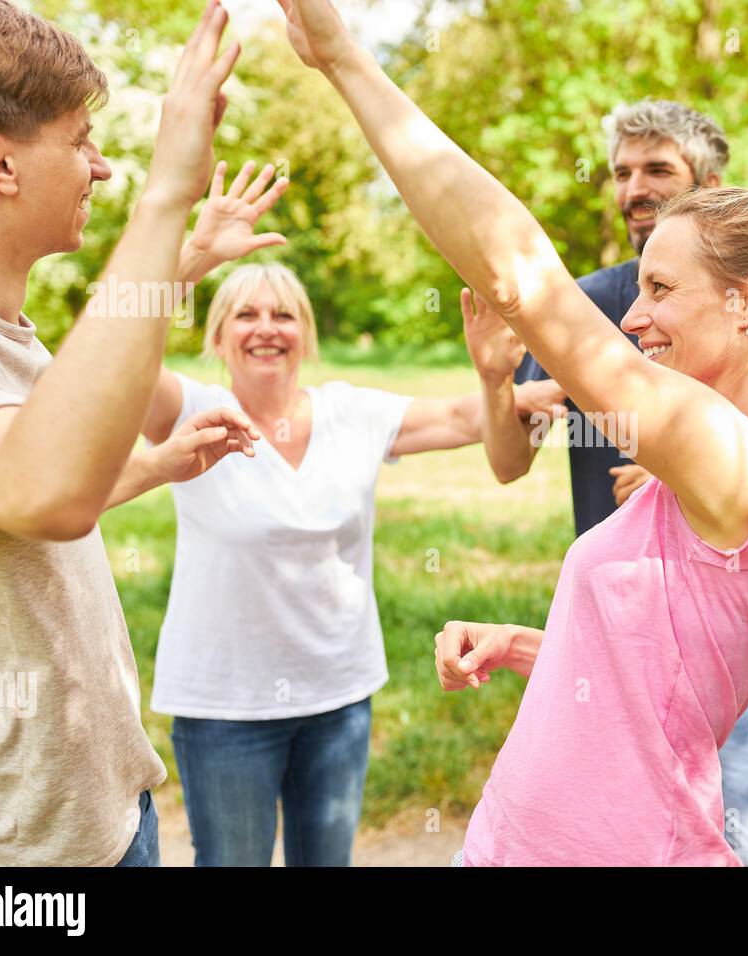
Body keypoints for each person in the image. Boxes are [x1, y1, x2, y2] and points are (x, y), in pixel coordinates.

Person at [277, 0, 748, 866]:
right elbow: (655, 671)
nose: (634, 314)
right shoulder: (714, 470)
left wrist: (346, 61)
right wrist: (523, 645)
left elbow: (519, 274)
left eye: (662, 291)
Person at [472, 98, 748, 867]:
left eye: (658, 169)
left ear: (705, 183)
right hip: (612, 634)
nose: (634, 187)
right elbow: (510, 460)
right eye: (622, 172)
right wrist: (495, 384)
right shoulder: (594, 302)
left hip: (715, 630)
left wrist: (690, 465)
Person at [140, 169, 565, 865]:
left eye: (283, 316)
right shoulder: (185, 410)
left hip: (338, 696)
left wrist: (533, 381)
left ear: (305, 335)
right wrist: (192, 260)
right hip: (226, 707)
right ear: (218, 335)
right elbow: (115, 357)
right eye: (246, 314)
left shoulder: (350, 414)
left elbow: (469, 417)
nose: (266, 328)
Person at [0, 0, 259, 865]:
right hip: (11, 859)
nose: (103, 167)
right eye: (80, 140)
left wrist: (153, 465)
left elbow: (1, 510)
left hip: (108, 819)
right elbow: (43, 490)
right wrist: (166, 194)